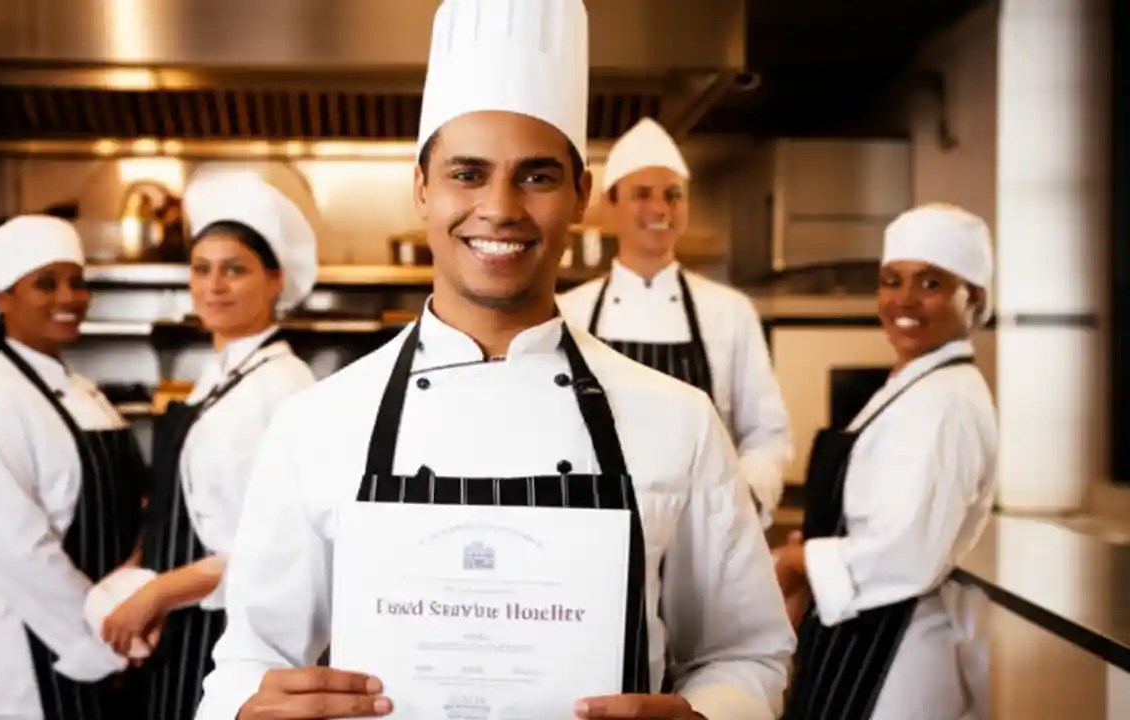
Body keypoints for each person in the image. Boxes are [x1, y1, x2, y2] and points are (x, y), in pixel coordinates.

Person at [195, 1, 795, 719]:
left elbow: (747, 652)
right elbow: (249, 660)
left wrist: (710, 715)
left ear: (579, 196)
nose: (499, 207)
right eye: (467, 173)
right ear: (421, 188)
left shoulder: (678, 421)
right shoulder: (317, 422)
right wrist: (246, 709)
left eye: (536, 176)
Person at [93, 169, 320, 720]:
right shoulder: (218, 375)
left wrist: (159, 592)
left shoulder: (284, 386)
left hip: (234, 633)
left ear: (274, 280)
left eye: (234, 270)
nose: (213, 286)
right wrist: (137, 572)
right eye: (202, 269)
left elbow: (283, 546)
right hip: (184, 628)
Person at [773, 203, 998, 720]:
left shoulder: (947, 400)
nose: (904, 300)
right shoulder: (914, 383)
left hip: (894, 657)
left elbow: (910, 552)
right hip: (861, 638)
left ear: (974, 297)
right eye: (891, 280)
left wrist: (800, 560)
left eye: (930, 283)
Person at [0, 216, 144, 719]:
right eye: (45, 283)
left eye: (77, 281)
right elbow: (18, 550)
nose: (69, 297)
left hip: (112, 651)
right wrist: (103, 638)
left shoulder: (85, 392)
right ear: (1, 298)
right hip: (30, 670)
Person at [558, 117, 793, 526]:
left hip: (703, 525)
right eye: (642, 194)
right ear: (609, 207)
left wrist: (745, 498)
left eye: (673, 195)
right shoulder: (568, 312)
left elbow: (767, 433)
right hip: (597, 524)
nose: (660, 208)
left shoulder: (729, 311)